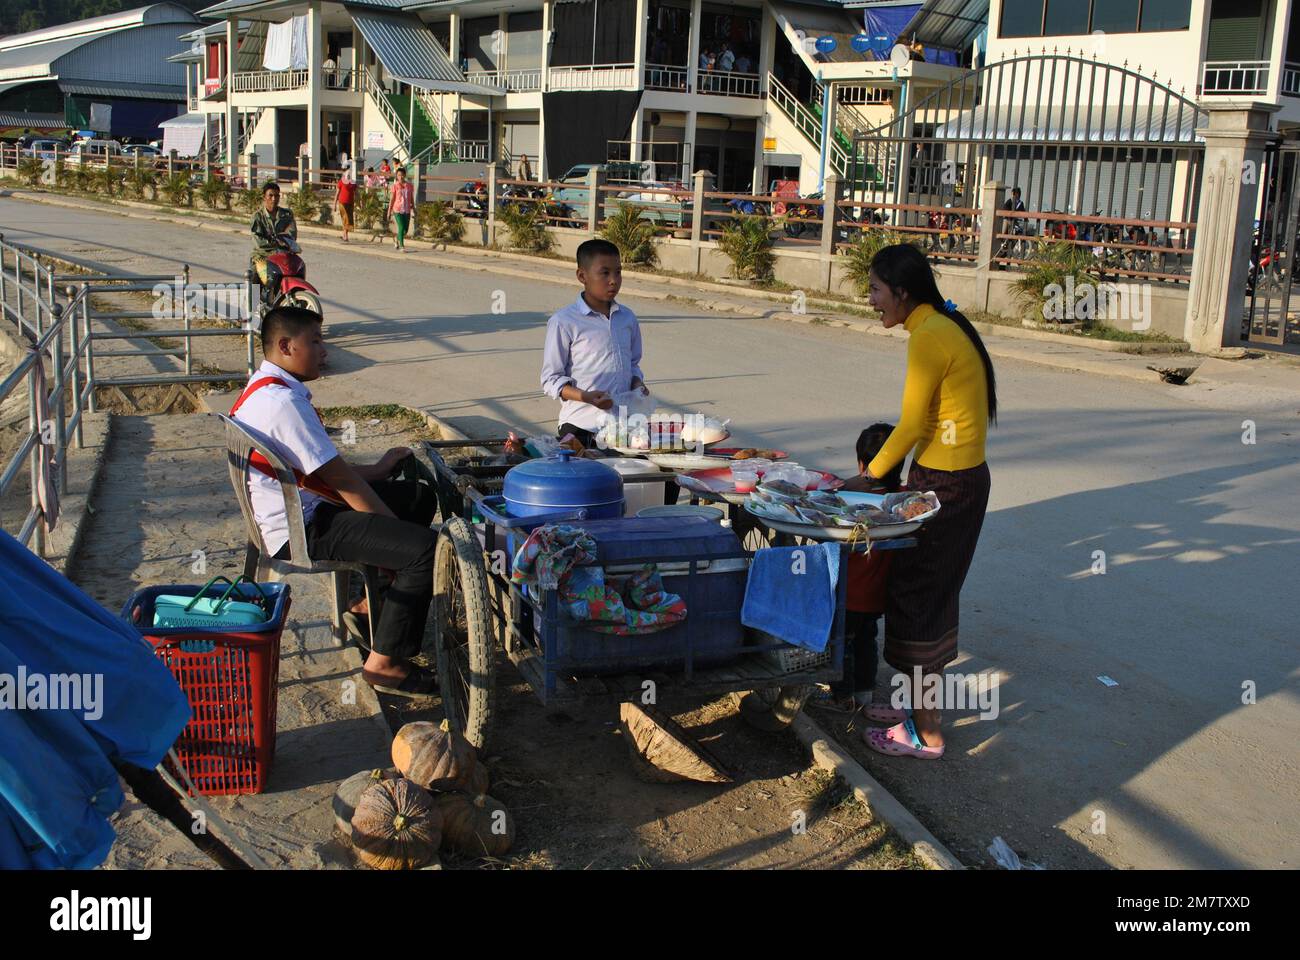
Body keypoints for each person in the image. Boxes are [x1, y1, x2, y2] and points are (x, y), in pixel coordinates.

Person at [229, 306, 438, 697]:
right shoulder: (283, 405)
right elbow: (340, 481)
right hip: (299, 528)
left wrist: (378, 470)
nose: (325, 351)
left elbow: (323, 468)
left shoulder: (265, 386)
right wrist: (394, 529)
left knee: (418, 498)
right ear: (286, 345)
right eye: (317, 341)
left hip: (297, 506)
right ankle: (385, 664)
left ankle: (366, 608)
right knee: (423, 551)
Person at [859, 244, 996, 760]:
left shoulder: (930, 336)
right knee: (924, 595)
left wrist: (869, 475)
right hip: (954, 478)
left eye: (875, 289)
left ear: (902, 291)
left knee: (921, 602)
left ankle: (927, 733)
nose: (870, 299)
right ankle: (916, 711)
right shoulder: (939, 325)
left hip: (945, 484)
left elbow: (913, 425)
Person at [540, 238, 647, 450]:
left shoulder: (627, 318)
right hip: (581, 427)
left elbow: (633, 364)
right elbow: (550, 379)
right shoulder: (564, 322)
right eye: (605, 273)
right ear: (582, 276)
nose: (613, 280)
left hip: (622, 427)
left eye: (618, 272)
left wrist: (637, 385)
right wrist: (586, 397)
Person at [831, 423, 904, 708]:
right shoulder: (903, 499)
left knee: (842, 642)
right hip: (879, 593)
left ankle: (843, 697)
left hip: (850, 590)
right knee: (866, 639)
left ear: (862, 463)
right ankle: (865, 692)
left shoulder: (849, 495)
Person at [249, 181, 297, 289]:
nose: (274, 199)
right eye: (270, 195)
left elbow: (292, 235)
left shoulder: (287, 214)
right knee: (255, 277)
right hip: (263, 256)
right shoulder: (257, 217)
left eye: (276, 195)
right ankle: (253, 302)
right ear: (264, 197)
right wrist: (275, 246)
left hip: (283, 254)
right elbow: (258, 241)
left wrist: (287, 245)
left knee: (297, 270)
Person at [388, 165, 414, 251]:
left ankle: (396, 239)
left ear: (405, 175)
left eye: (402, 175)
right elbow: (392, 199)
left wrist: (413, 207)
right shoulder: (395, 186)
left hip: (407, 209)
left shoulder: (409, 186)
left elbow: (411, 198)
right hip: (397, 209)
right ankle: (402, 246)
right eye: (399, 175)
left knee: (405, 230)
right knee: (401, 226)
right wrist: (389, 211)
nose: (400, 177)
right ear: (396, 176)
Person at [335, 167, 356, 242]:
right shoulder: (341, 182)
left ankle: (344, 233)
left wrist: (359, 203)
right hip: (342, 203)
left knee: (349, 219)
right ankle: (345, 234)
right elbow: (337, 193)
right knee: (345, 218)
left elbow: (357, 193)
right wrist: (334, 204)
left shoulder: (353, 183)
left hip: (350, 203)